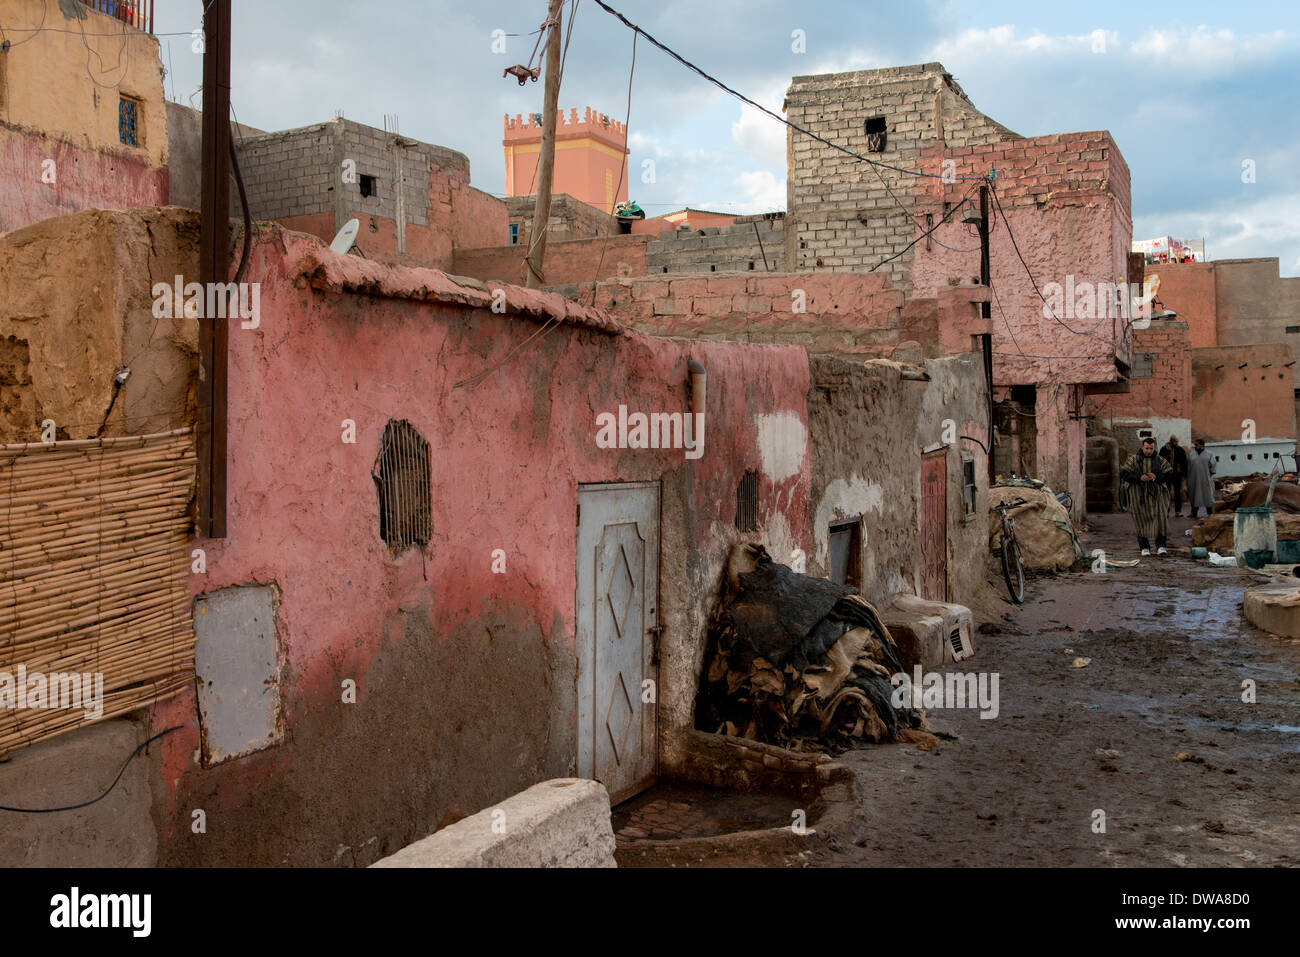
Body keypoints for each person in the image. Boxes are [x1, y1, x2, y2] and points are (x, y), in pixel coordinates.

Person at [1121, 437, 1175, 555]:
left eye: (1151, 448)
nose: (1148, 451)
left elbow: (1169, 474)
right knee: (1141, 521)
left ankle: (1161, 546)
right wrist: (1139, 478)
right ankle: (1144, 547)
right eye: (1146, 448)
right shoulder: (1133, 460)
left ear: (1154, 448)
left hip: (1157, 496)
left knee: (1160, 519)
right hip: (1138, 496)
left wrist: (1156, 477)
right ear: (1142, 447)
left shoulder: (1160, 460)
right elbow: (1125, 474)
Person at [1159, 435, 1189, 516]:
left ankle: (1178, 511)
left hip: (1177, 474)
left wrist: (1184, 474)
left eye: (1177, 442)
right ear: (1171, 441)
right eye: (1175, 442)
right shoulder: (1164, 449)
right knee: (1166, 493)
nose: (1176, 443)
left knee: (1178, 493)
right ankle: (1166, 511)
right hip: (1167, 474)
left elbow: (1184, 463)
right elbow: (1159, 462)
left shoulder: (1180, 450)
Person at [1187, 438, 1217, 518]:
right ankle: (1194, 513)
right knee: (1194, 495)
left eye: (1196, 444)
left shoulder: (1209, 454)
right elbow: (1188, 466)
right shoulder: (1191, 454)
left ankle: (1210, 513)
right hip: (1194, 479)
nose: (1195, 446)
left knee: (1207, 495)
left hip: (1205, 479)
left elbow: (1213, 466)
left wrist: (1209, 474)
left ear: (1201, 445)